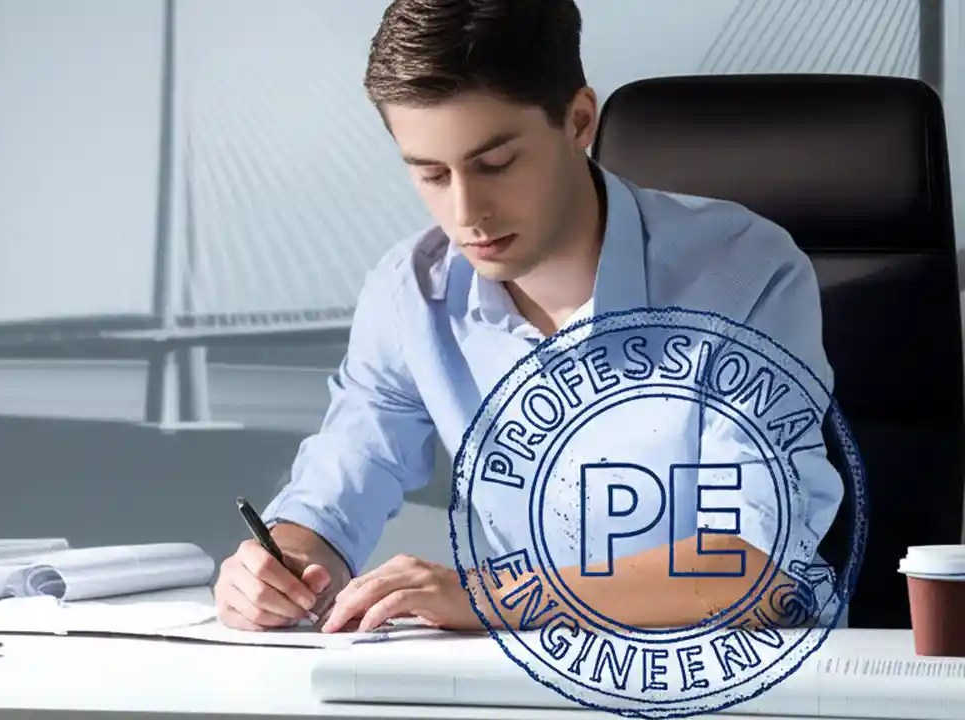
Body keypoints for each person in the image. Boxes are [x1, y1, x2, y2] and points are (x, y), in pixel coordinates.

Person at [214, 0, 843, 634]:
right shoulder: (412, 292)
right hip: (521, 681)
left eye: (496, 164)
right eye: (431, 174)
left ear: (578, 121)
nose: (466, 214)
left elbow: (759, 564)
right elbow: (338, 487)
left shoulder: (745, 275)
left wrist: (495, 596)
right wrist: (287, 562)